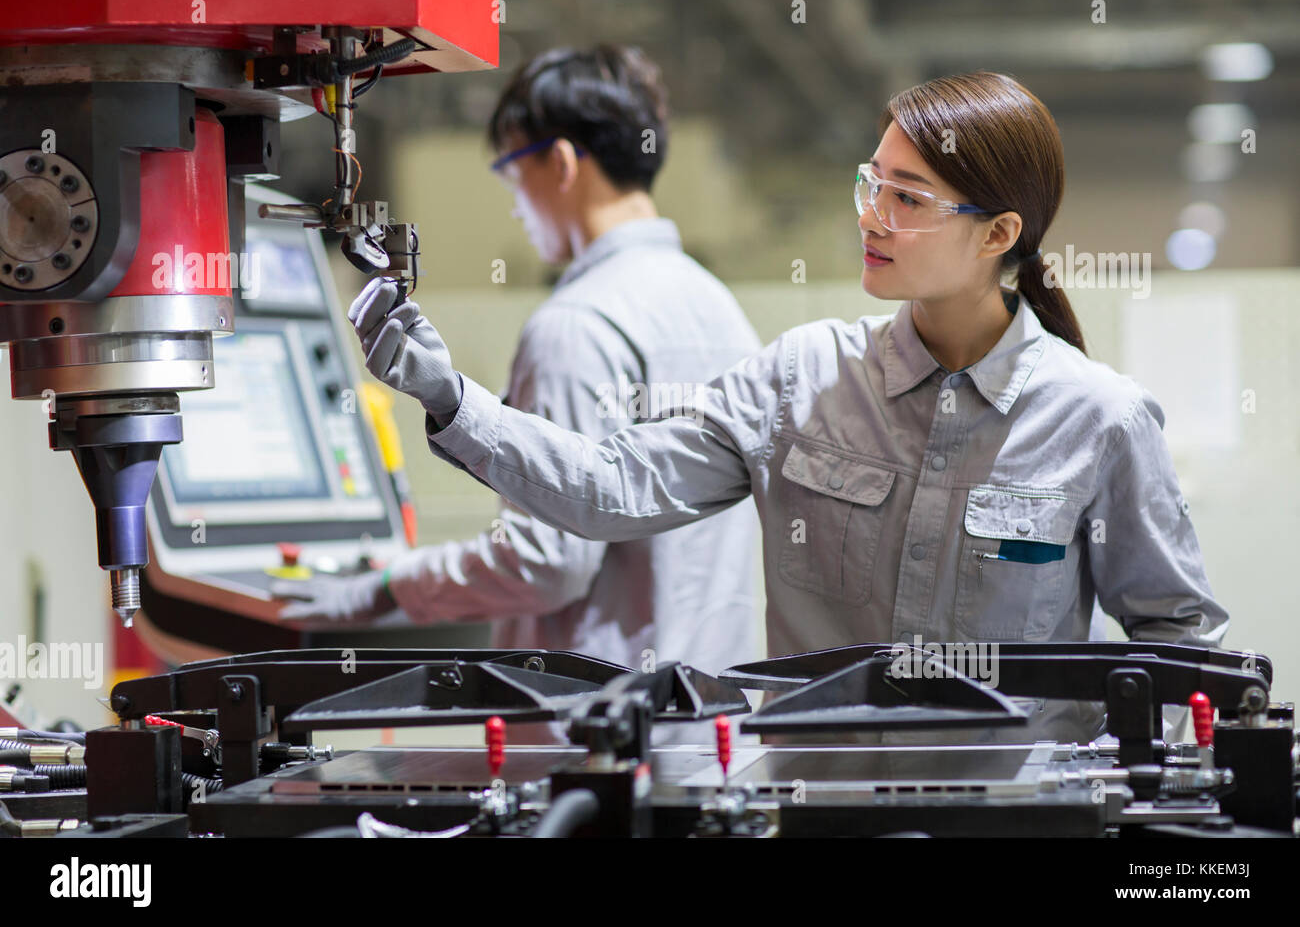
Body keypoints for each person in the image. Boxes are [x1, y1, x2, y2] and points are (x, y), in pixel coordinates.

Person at [346, 71, 1228, 745]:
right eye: (870, 183)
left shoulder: (1100, 420)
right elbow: (610, 490)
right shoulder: (800, 380)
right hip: (818, 813)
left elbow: (1181, 645)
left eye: (907, 199)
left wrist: (1119, 789)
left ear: (998, 235)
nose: (872, 217)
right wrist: (452, 397)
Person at [275, 46, 763, 701]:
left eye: (511, 175)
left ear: (560, 163)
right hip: (708, 725)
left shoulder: (575, 325)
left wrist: (389, 587)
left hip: (595, 738)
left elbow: (548, 561)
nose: (513, 207)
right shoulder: (718, 308)